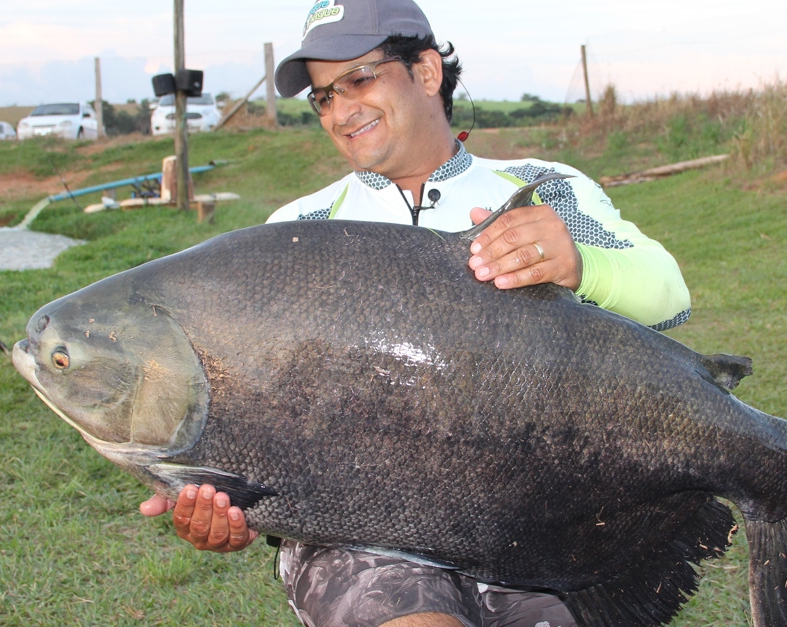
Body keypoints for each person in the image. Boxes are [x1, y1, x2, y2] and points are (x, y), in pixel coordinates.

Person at [141, 1, 692, 626]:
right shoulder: (296, 233)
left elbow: (670, 298)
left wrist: (581, 264)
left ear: (426, 72)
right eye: (323, 96)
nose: (341, 109)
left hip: (530, 514)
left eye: (360, 78)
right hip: (357, 535)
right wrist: (233, 507)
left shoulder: (545, 187)